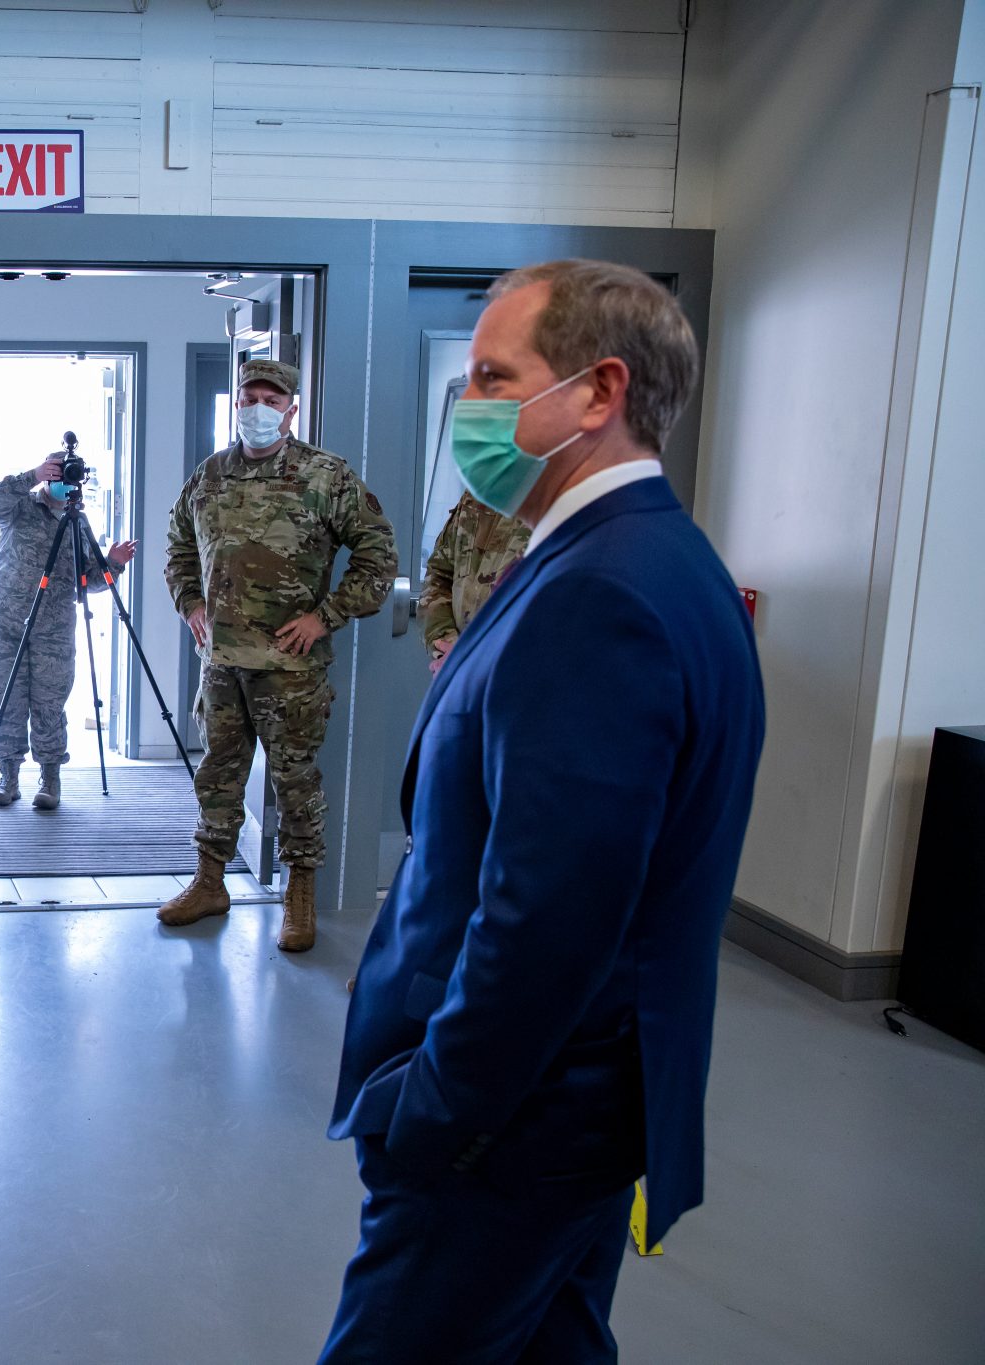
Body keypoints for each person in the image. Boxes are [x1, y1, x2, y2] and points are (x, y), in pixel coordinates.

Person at [319, 260, 765, 1362]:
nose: (466, 408)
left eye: (490, 376)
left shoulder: (598, 596)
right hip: (573, 1109)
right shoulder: (645, 556)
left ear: (597, 392)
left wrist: (436, 1114)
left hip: (511, 1123)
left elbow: (547, 918)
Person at [158, 358, 398, 952]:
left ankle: (300, 895)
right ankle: (210, 881)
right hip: (222, 665)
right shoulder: (209, 476)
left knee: (294, 782)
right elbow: (178, 547)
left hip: (291, 671)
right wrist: (191, 603)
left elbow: (378, 559)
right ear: (236, 404)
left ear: (290, 410)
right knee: (217, 774)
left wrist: (326, 616)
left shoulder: (326, 476)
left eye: (271, 398)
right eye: (249, 397)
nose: (257, 407)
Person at [0, 452, 136, 810]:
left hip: (53, 628)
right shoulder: (19, 507)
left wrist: (113, 563)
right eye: (59, 474)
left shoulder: (78, 524)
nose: (66, 482)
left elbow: (91, 581)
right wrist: (31, 474)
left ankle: (50, 779)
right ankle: (8, 777)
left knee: (49, 704)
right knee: (5, 703)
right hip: (3, 624)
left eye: (72, 477)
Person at [419, 488, 531, 675]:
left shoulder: (561, 504)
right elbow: (439, 574)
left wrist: (472, 660)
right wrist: (451, 649)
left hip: (518, 679)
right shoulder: (480, 491)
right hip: (460, 678)